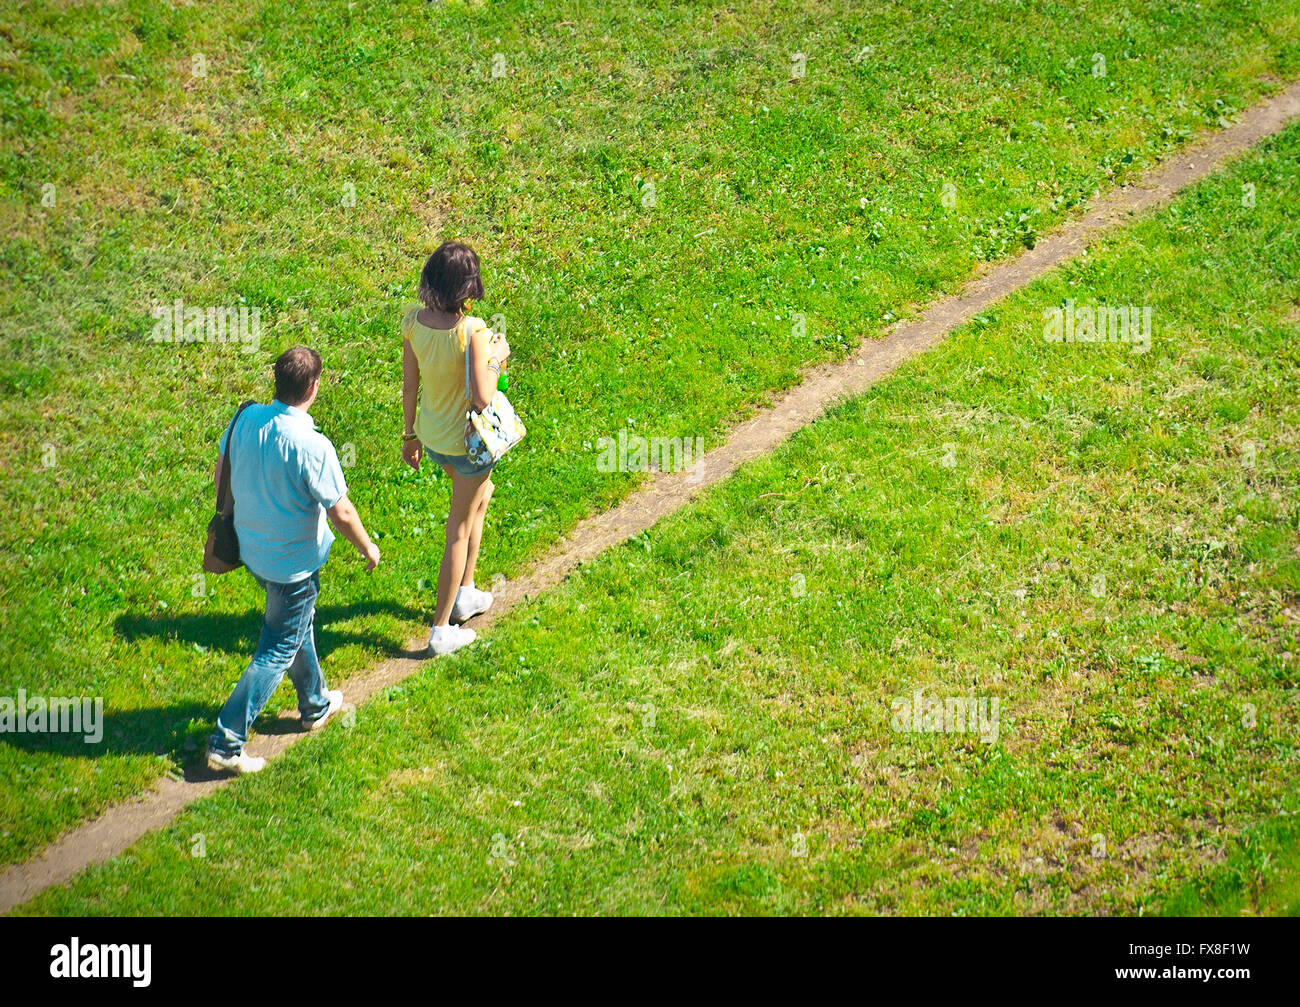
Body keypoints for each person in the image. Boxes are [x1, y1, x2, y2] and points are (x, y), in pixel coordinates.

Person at [205, 346, 381, 774]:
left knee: (293, 626)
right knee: (276, 648)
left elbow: (221, 468)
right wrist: (368, 548)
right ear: (314, 387)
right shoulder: (311, 444)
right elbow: (341, 511)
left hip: (254, 554)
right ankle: (226, 741)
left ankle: (314, 704)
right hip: (293, 567)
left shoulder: (245, 418)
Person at [400, 241, 510, 656]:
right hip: (466, 445)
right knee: (457, 529)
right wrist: (497, 356)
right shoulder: (473, 331)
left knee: (481, 497)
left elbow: (411, 384)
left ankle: (467, 590)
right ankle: (441, 628)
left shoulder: (412, 321)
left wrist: (409, 435)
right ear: (467, 290)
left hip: (432, 438)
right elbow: (483, 397)